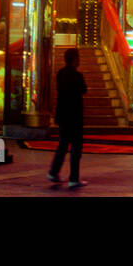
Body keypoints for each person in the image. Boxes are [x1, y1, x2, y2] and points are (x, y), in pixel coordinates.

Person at [47, 47, 86, 189]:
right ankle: (74, 178)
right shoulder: (77, 76)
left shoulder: (60, 74)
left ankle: (53, 171)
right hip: (74, 115)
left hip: (63, 114)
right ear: (75, 59)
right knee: (76, 147)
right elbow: (83, 90)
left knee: (63, 144)